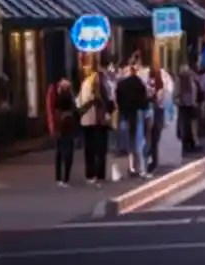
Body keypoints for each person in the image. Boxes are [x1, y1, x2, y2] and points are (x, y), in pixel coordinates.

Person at [77, 58, 112, 186]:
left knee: (89, 148)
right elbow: (103, 98)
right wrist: (108, 110)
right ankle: (99, 174)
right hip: (97, 119)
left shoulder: (85, 82)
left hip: (86, 119)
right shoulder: (98, 80)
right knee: (100, 148)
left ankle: (90, 174)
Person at [115, 60, 151, 179]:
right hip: (138, 113)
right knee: (139, 141)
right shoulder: (138, 82)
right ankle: (141, 168)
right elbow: (144, 99)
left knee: (129, 142)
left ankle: (131, 167)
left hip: (125, 114)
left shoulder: (121, 84)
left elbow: (118, 100)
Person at [51, 78, 77, 186]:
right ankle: (66, 177)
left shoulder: (57, 99)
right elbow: (75, 111)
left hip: (60, 127)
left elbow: (54, 112)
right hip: (68, 127)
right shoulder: (70, 99)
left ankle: (58, 178)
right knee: (68, 153)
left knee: (59, 152)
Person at [175, 61, 201, 153]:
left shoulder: (179, 79)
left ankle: (187, 142)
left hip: (184, 105)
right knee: (192, 124)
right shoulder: (190, 79)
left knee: (185, 124)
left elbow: (177, 92)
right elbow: (195, 89)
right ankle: (193, 142)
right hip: (189, 105)